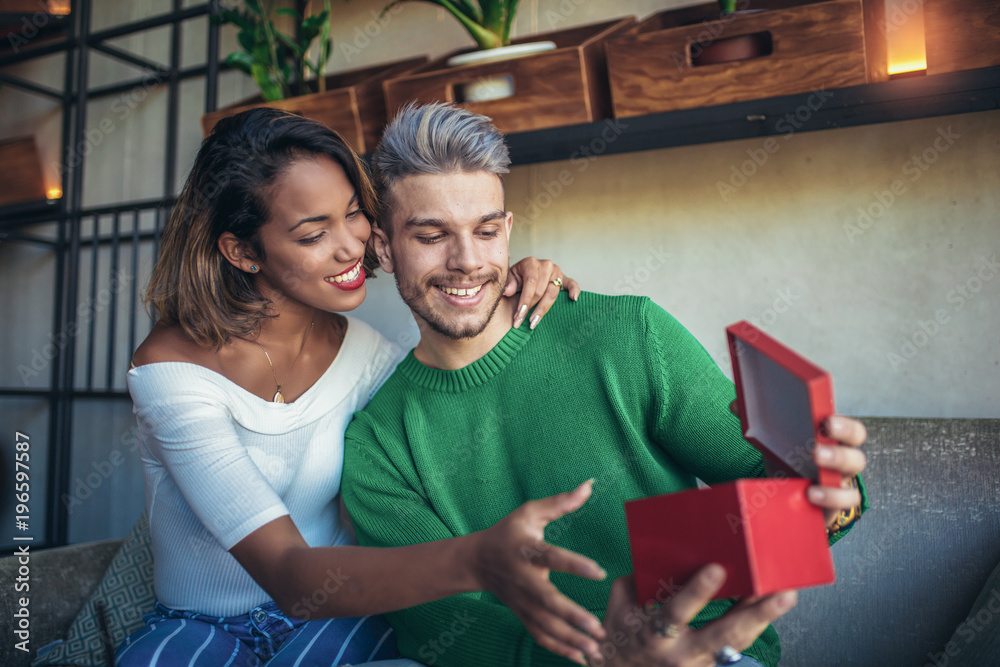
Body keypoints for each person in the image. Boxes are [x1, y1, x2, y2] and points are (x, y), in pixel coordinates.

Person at [341, 102, 870, 667]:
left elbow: (783, 494)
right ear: (382, 247)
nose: (467, 260)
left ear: (508, 229)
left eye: (487, 231)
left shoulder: (627, 334)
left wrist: (827, 497)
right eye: (431, 235)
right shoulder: (378, 446)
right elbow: (458, 636)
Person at [116, 107, 613, 667]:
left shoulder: (370, 354)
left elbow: (457, 392)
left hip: (341, 616)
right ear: (242, 251)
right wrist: (476, 561)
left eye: (353, 214)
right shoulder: (170, 371)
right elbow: (286, 573)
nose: (351, 246)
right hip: (199, 625)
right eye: (312, 234)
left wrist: (502, 283)